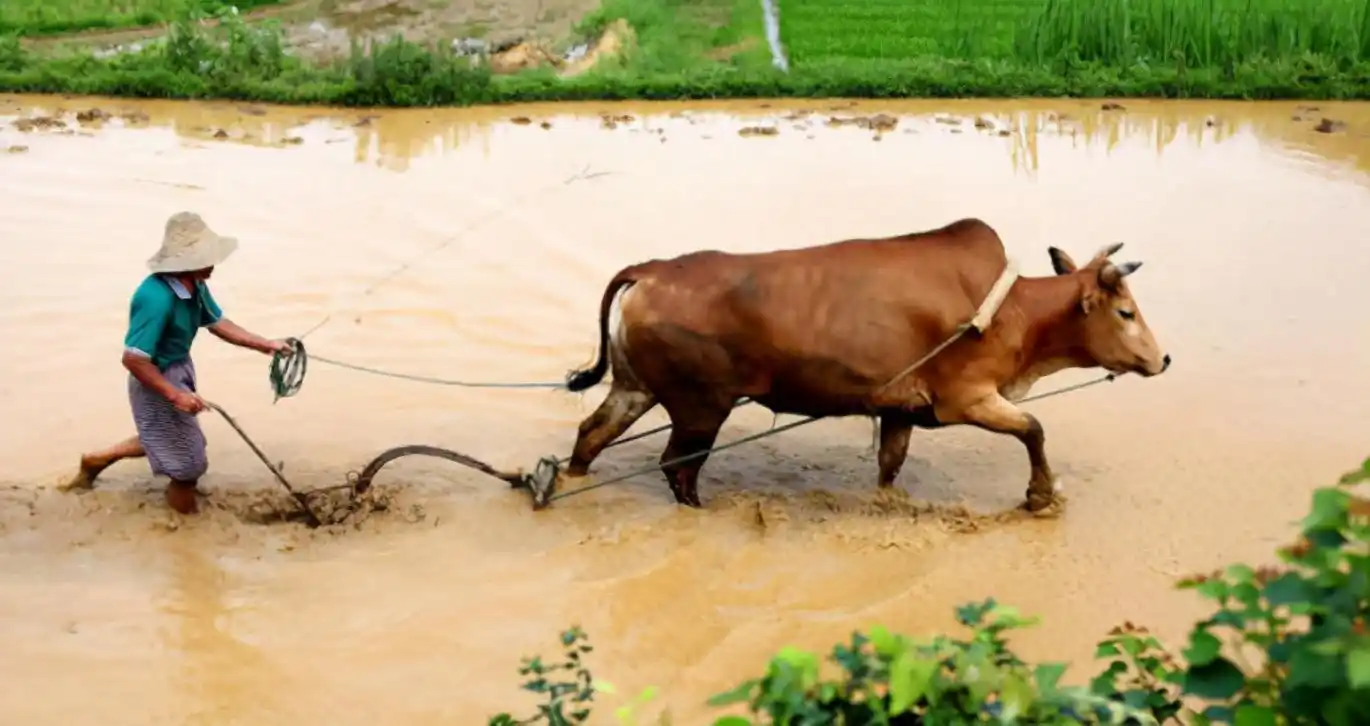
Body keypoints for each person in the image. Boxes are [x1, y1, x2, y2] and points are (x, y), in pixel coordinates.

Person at [62, 211, 294, 515]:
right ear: (189, 260)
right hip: (155, 377)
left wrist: (265, 344)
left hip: (179, 368)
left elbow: (217, 322)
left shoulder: (194, 285)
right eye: (208, 257)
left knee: (167, 435)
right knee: (188, 468)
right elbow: (133, 359)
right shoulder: (156, 298)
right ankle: (184, 533)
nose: (214, 263)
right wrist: (174, 394)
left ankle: (97, 459)